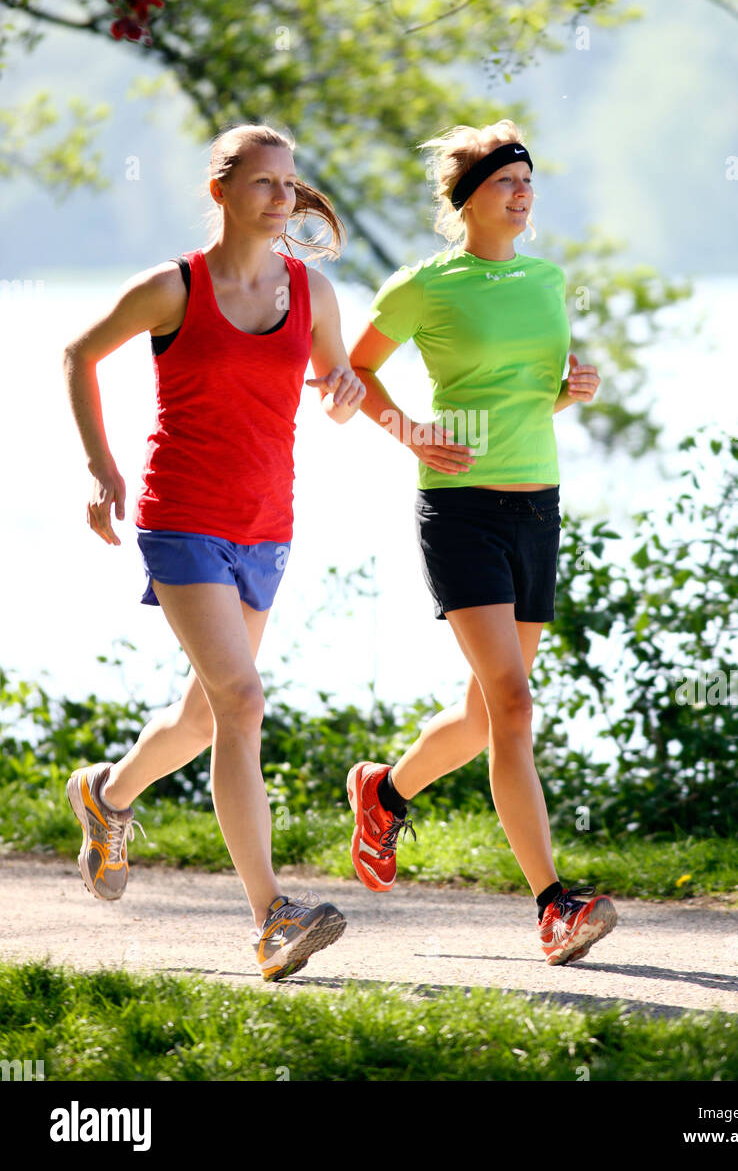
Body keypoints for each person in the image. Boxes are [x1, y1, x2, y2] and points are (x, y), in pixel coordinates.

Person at [63, 122, 365, 981]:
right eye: (264, 182)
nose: (282, 197)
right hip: (182, 517)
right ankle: (273, 915)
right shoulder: (173, 288)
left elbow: (337, 395)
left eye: (289, 183)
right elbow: (77, 353)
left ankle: (106, 795)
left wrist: (344, 391)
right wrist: (101, 468)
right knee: (241, 699)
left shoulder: (313, 293)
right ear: (221, 190)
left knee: (204, 718)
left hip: (267, 525)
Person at [345, 119, 617, 965]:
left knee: (485, 707)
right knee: (513, 704)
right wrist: (412, 433)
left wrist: (578, 386)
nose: (523, 193)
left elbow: (534, 394)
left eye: (529, 181)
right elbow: (350, 371)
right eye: (506, 182)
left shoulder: (546, 278)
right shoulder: (427, 285)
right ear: (468, 199)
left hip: (539, 505)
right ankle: (553, 905)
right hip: (459, 507)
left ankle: (384, 794)